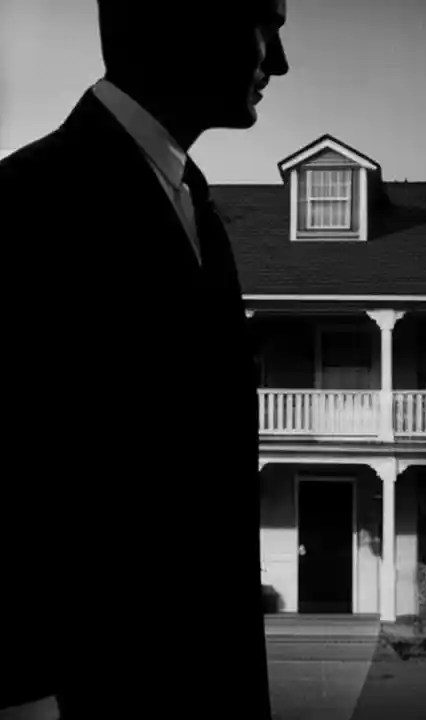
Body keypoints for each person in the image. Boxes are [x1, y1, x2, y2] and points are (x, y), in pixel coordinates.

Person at [0, 1, 289, 717]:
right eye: (266, 23)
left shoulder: (194, 204)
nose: (278, 61)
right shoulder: (23, 204)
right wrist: (25, 690)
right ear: (186, 18)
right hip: (99, 686)